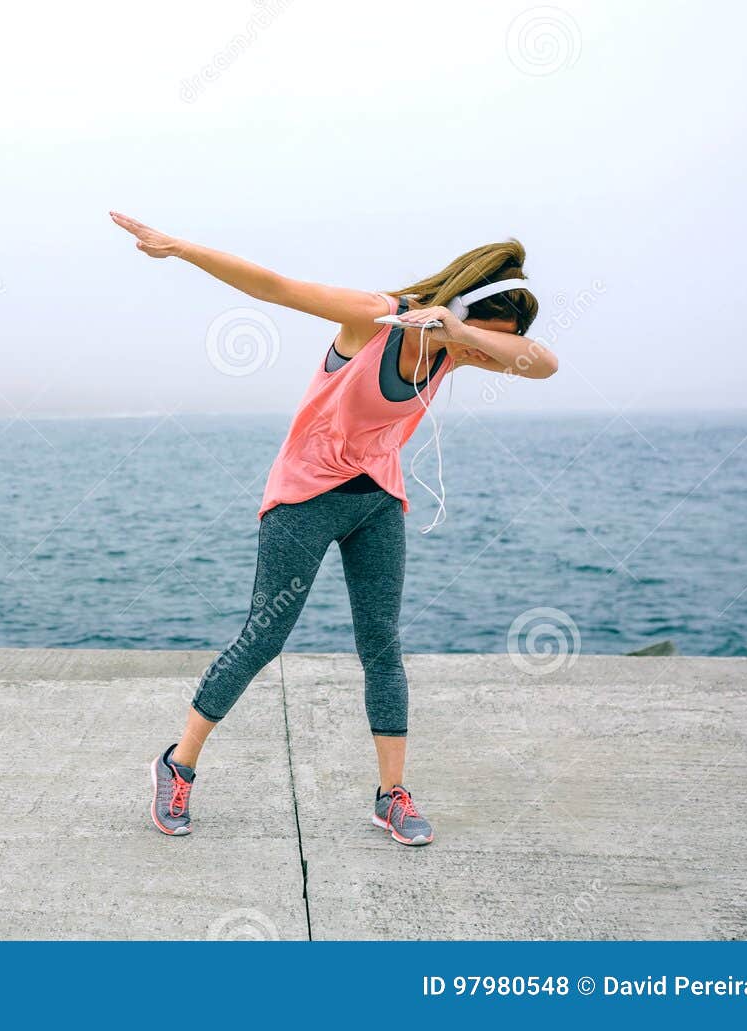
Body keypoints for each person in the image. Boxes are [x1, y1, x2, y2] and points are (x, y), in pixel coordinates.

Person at [110, 211, 558, 845]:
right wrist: (181, 248)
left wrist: (460, 332)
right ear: (454, 304)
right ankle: (177, 765)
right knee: (263, 638)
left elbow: (543, 364)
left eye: (480, 344)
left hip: (377, 500)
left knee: (381, 644)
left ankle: (391, 795)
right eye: (475, 338)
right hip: (305, 496)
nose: (473, 355)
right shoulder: (372, 318)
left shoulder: (454, 345)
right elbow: (275, 286)